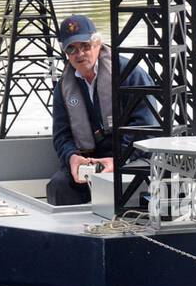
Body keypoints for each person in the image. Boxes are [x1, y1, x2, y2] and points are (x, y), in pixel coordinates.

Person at [46, 14, 156, 206]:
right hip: (90, 160)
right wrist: (72, 157)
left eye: (85, 46)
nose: (79, 54)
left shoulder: (130, 74)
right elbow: (62, 136)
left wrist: (118, 160)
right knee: (59, 184)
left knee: (132, 181)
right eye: (72, 49)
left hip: (132, 156)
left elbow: (147, 128)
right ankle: (75, 233)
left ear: (97, 44)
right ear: (65, 52)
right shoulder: (62, 88)